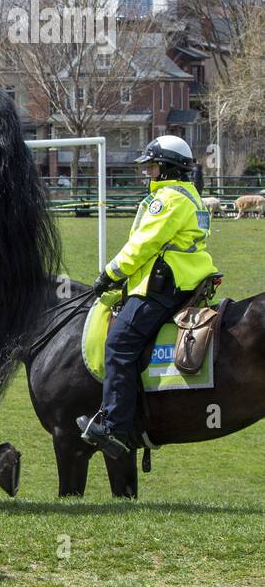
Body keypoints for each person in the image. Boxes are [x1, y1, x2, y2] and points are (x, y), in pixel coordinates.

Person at [78, 135, 218, 458]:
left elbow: (142, 246)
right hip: (187, 282)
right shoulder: (192, 197)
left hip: (163, 288)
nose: (149, 173)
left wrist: (109, 274)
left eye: (153, 167)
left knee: (118, 344)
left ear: (167, 169)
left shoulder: (168, 199)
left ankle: (115, 427)